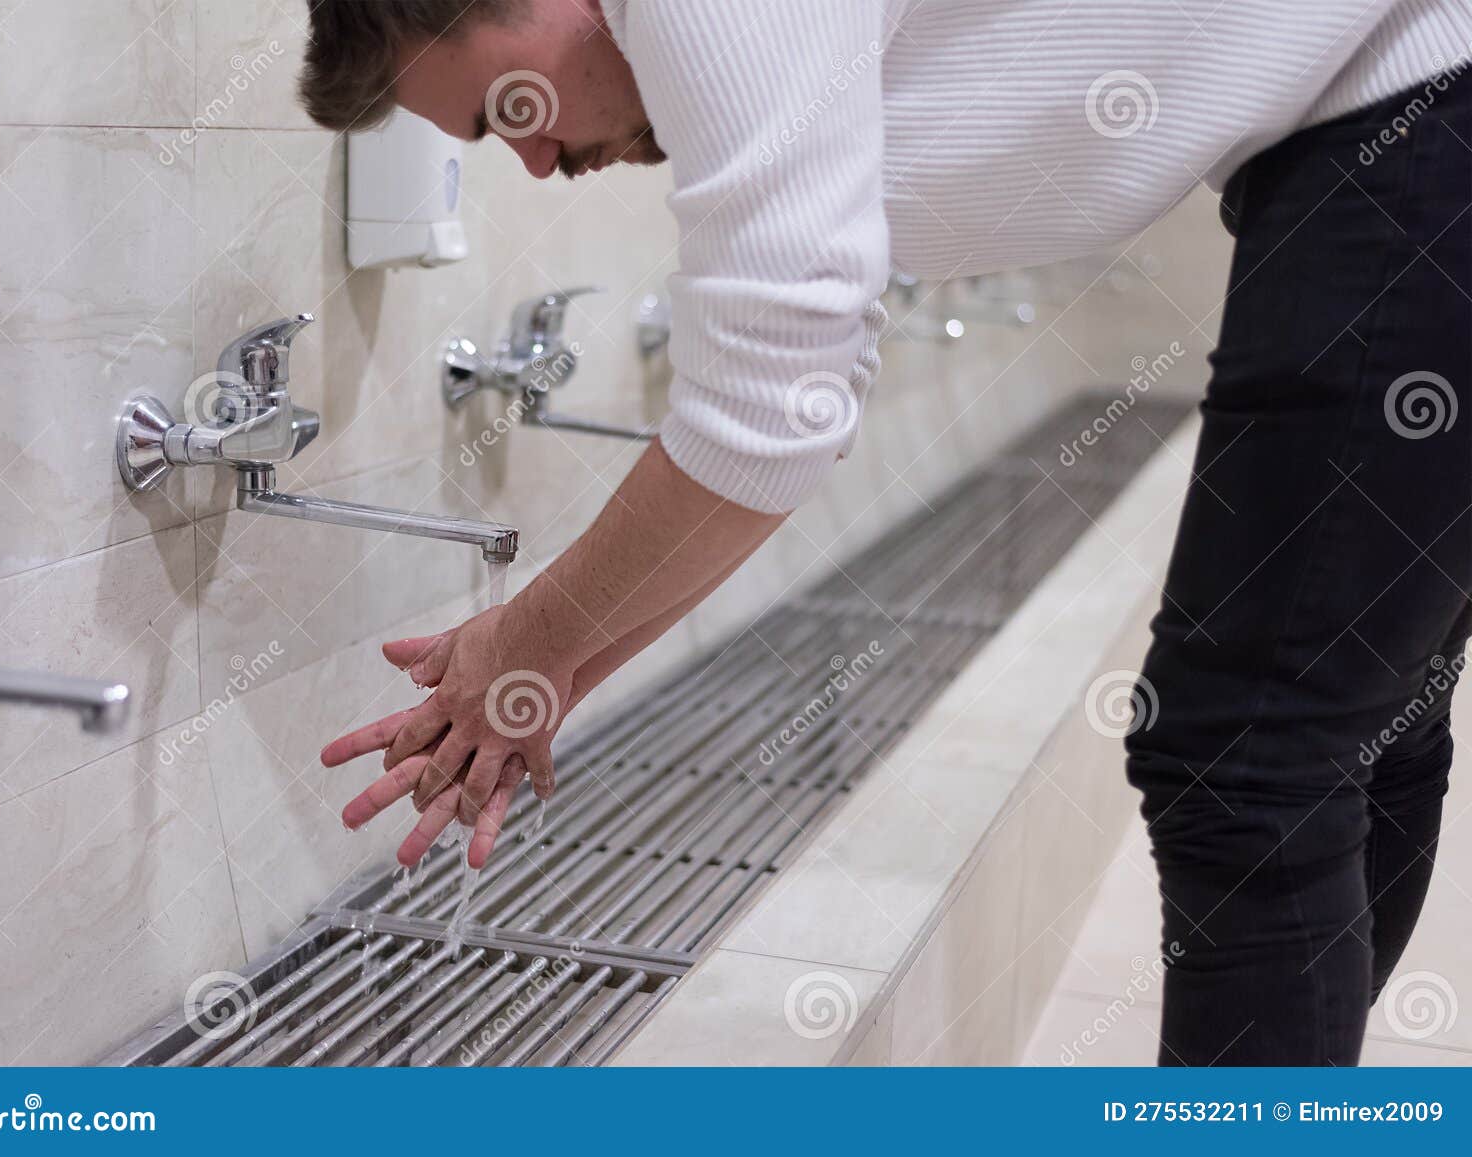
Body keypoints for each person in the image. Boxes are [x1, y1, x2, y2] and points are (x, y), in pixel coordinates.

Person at [301, 0, 1472, 1065]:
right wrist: (552, 668)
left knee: (1248, 758)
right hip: (1398, 119)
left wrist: (530, 638)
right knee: (1355, 730)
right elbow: (800, 413)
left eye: (499, 110)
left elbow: (767, 407)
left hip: (1417, 124)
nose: (536, 158)